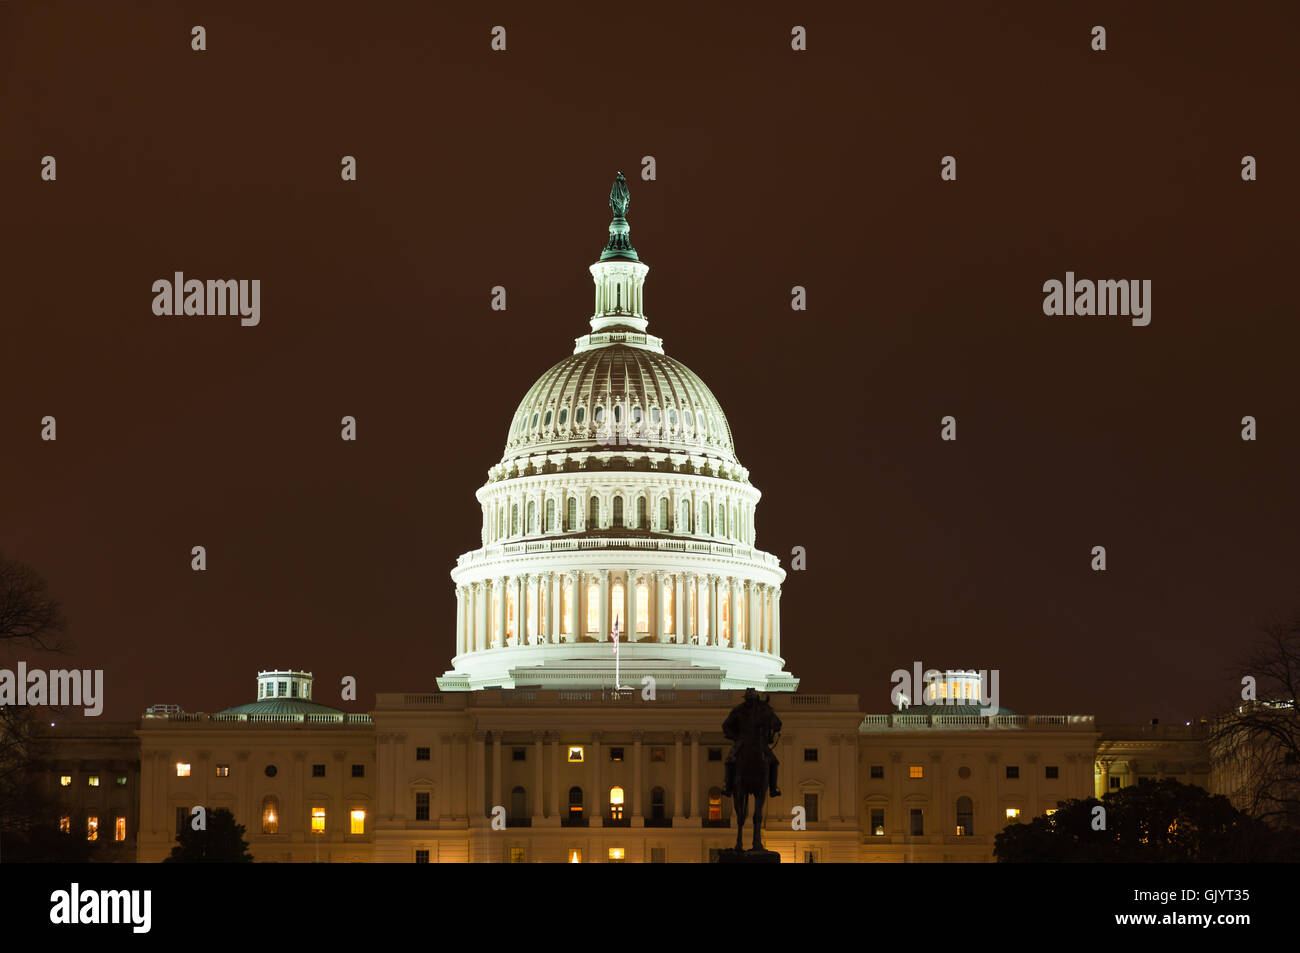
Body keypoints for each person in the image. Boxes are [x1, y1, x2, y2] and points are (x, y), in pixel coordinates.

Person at [721, 687, 781, 798]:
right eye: (749, 700)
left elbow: (775, 721)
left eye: (752, 700)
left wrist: (775, 727)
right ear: (746, 699)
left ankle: (773, 788)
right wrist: (735, 737)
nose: (751, 702)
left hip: (759, 741)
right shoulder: (738, 710)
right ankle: (728, 786)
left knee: (774, 761)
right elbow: (726, 726)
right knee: (729, 760)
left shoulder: (761, 710)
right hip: (742, 740)